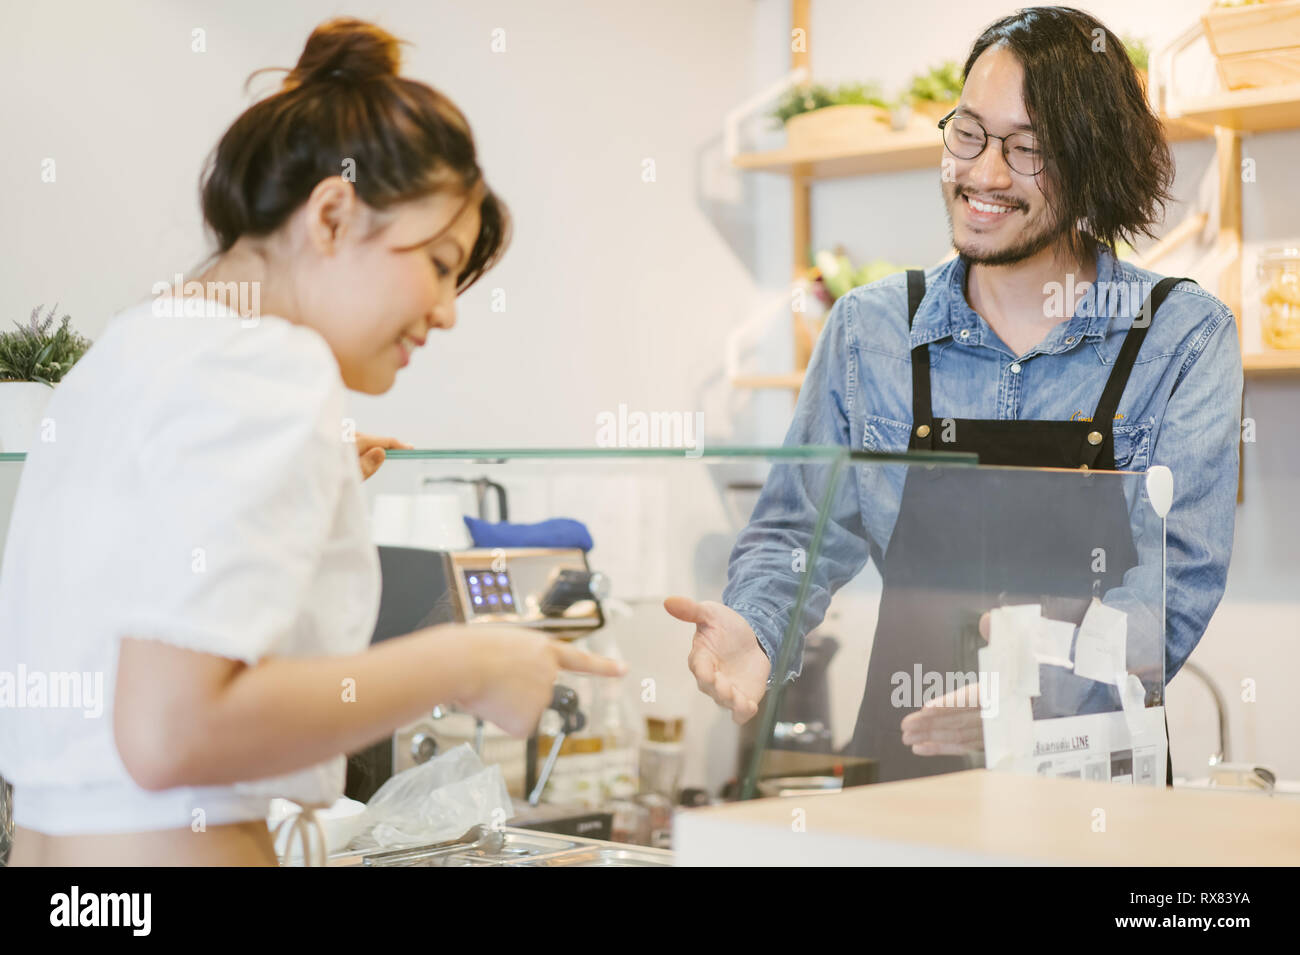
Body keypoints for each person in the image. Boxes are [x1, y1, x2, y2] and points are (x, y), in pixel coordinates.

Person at [0, 17, 622, 866]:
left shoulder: (130, 352)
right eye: (440, 264)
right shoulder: (269, 364)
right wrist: (465, 662)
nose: (447, 311)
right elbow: (172, 732)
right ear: (331, 215)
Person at [668, 7, 1241, 784]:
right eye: (967, 133)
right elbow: (794, 534)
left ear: (1094, 163)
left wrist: (1031, 695)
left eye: (1027, 149)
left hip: (1091, 780)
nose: (984, 173)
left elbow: (1174, 586)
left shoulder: (1181, 336)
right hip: (907, 759)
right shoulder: (869, 329)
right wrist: (759, 631)